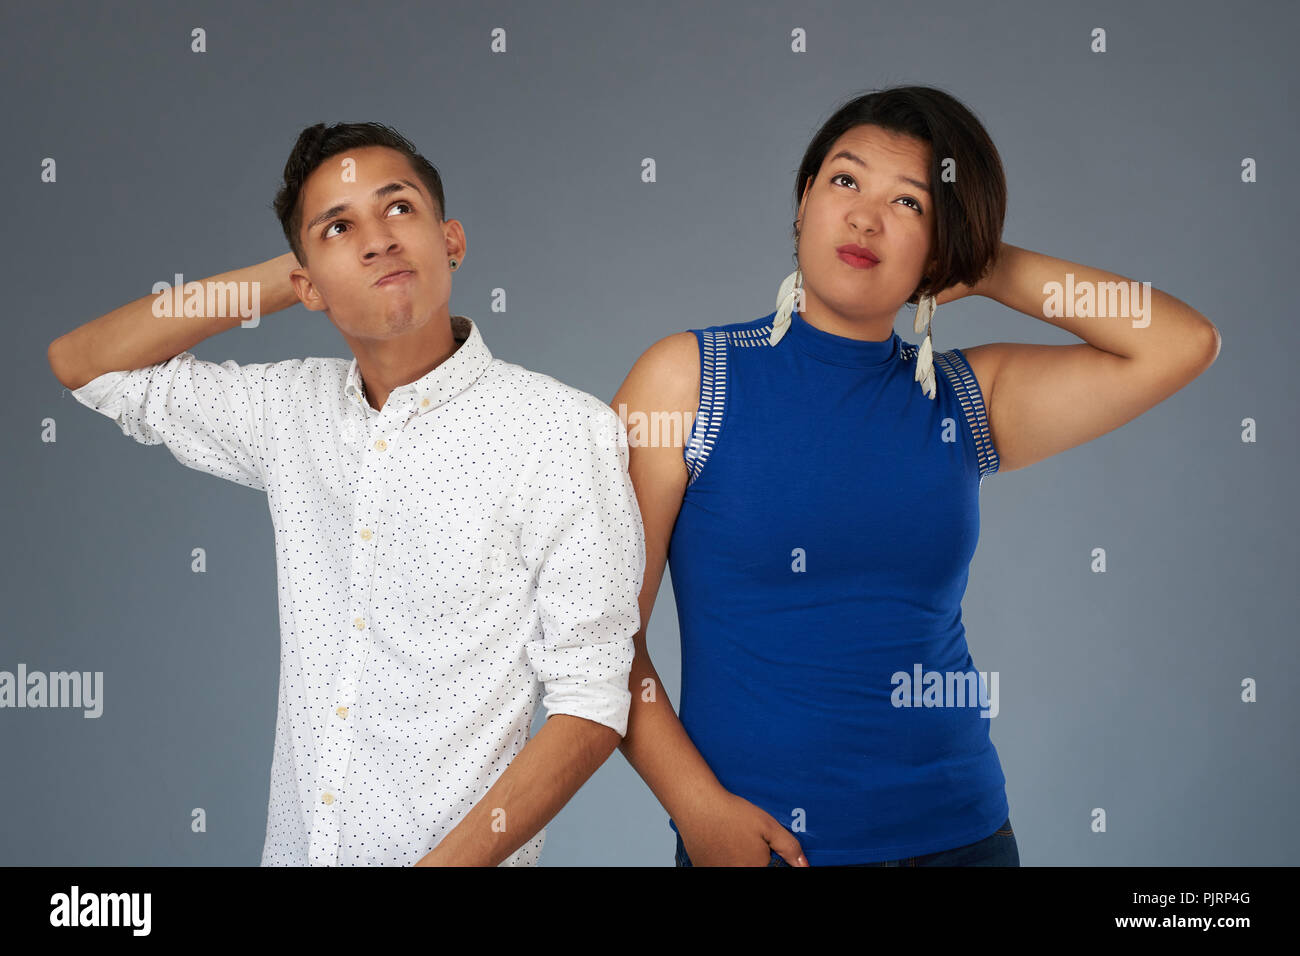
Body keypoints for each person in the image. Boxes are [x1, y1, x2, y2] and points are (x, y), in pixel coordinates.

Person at [611, 86, 1221, 867]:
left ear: (940, 247)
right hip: (764, 847)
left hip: (966, 836)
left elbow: (1182, 343)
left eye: (911, 202)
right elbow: (596, 629)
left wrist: (991, 265)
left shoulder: (966, 400)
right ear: (803, 203)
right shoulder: (689, 378)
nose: (866, 217)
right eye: (844, 181)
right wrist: (698, 812)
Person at [46, 122, 645, 866]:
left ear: (451, 241)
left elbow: (592, 706)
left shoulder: (562, 432)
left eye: (399, 210)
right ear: (304, 286)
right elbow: (85, 364)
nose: (378, 240)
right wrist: (304, 273)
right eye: (340, 226)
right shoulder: (289, 411)